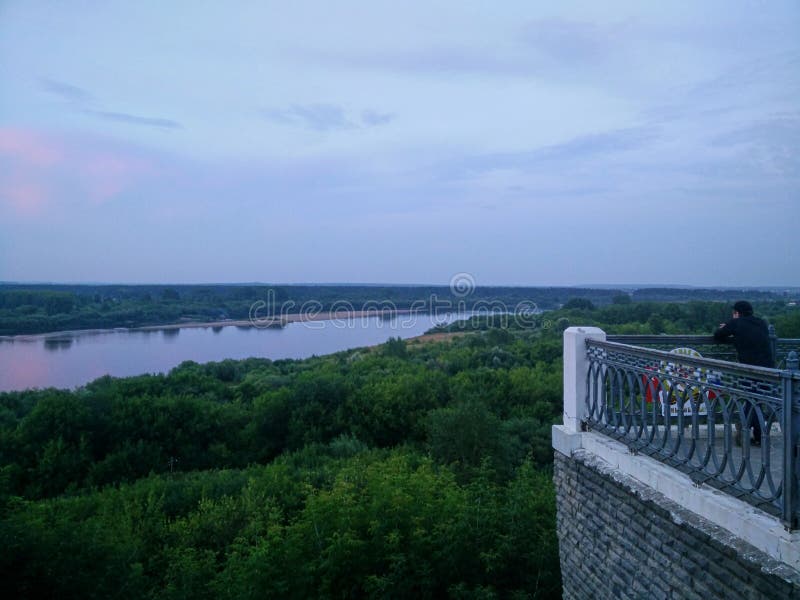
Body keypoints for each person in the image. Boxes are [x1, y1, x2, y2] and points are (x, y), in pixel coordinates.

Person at [713, 300, 773, 446]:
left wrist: (729, 328)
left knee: (751, 401)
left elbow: (718, 335)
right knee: (758, 401)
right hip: (768, 369)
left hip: (749, 369)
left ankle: (745, 430)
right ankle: (758, 436)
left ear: (737, 313)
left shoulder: (737, 323)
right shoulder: (762, 323)